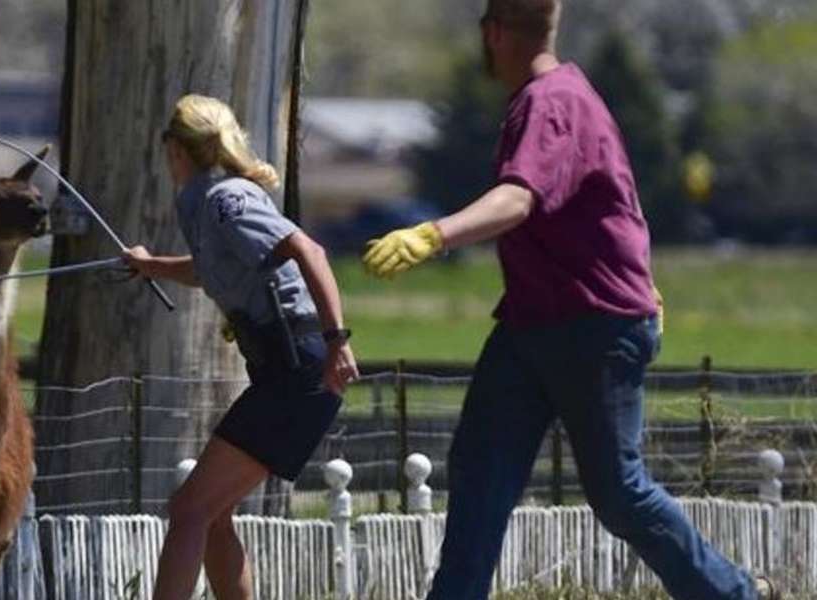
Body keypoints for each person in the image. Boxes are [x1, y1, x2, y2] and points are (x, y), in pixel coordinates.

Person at [361, 1, 777, 599]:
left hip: (593, 325)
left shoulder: (549, 102)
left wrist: (431, 235)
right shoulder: (567, 95)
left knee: (618, 493)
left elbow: (518, 199)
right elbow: (620, 204)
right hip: (536, 322)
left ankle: (737, 595)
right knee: (480, 473)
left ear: (493, 32)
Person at [123, 94, 359, 600]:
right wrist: (152, 266)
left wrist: (338, 340)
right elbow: (209, 271)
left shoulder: (226, 201)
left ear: (176, 150)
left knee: (189, 510)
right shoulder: (207, 208)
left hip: (298, 367)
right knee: (210, 515)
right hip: (284, 369)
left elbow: (307, 249)